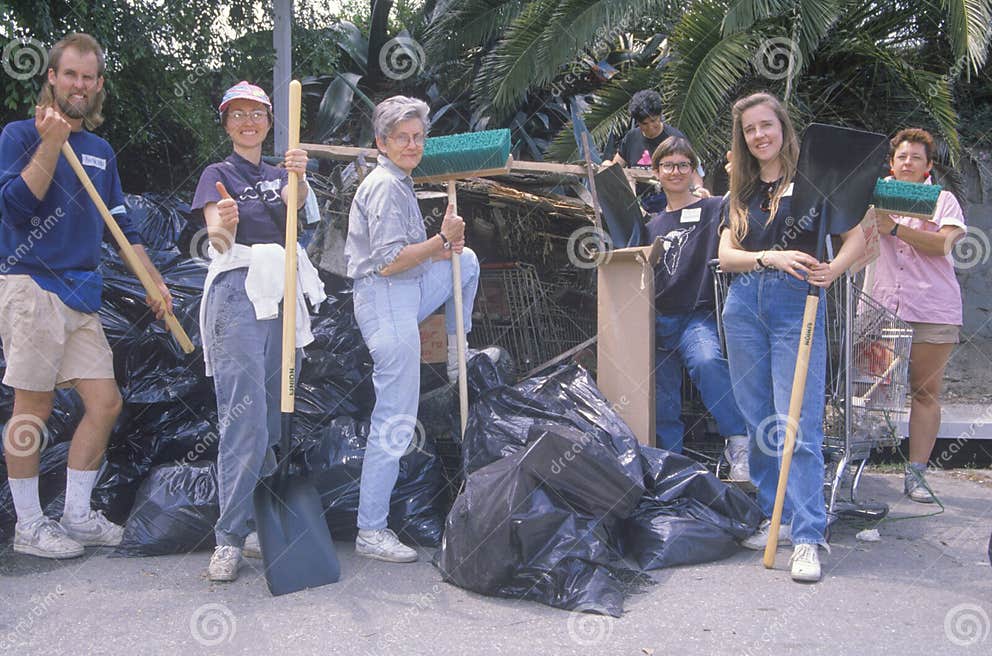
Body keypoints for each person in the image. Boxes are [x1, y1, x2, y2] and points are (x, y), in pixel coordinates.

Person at [0, 33, 172, 559]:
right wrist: (51, 144)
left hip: (80, 291)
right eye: (69, 74)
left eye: (88, 77)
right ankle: (29, 526)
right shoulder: (17, 135)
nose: (79, 85)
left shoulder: (100, 152)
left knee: (105, 401)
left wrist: (153, 279)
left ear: (98, 86)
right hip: (30, 283)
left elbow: (123, 227)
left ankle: (75, 515)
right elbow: (15, 210)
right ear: (51, 77)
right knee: (33, 406)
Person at [717, 92, 865, 583]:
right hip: (743, 305)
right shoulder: (738, 191)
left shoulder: (814, 182)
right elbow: (727, 256)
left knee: (796, 421)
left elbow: (859, 240)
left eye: (766, 126)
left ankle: (807, 535)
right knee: (758, 419)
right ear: (743, 139)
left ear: (782, 127)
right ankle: (772, 516)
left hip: (795, 304)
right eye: (750, 130)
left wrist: (832, 272)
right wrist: (769, 257)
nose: (759, 136)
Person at [345, 96, 483, 563]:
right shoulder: (384, 185)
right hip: (385, 300)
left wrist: (445, 250)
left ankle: (455, 351)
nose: (411, 144)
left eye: (417, 137)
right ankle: (371, 530)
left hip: (404, 290)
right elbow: (387, 263)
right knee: (396, 417)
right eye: (401, 137)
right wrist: (441, 239)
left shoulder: (400, 181)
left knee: (466, 263)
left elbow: (409, 255)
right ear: (381, 142)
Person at [191, 81, 318, 582]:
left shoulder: (281, 170)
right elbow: (216, 242)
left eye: (257, 114)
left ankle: (262, 525)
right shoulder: (216, 175)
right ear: (226, 124)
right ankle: (228, 537)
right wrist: (224, 221)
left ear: (269, 120)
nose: (248, 122)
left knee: (273, 413)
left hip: (283, 292)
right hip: (238, 294)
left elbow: (297, 211)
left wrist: (301, 179)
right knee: (243, 420)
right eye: (237, 115)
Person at [870, 128, 966, 503]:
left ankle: (917, 473)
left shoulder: (944, 200)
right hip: (880, 305)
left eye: (916, 158)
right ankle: (855, 465)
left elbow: (944, 243)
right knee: (864, 389)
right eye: (902, 157)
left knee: (925, 392)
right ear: (891, 163)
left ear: (928, 167)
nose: (907, 162)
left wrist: (894, 228)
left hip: (932, 307)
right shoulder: (873, 195)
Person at [645, 136, 749, 480]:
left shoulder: (714, 208)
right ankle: (669, 468)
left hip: (696, 314)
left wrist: (737, 169)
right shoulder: (651, 225)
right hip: (657, 317)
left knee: (708, 363)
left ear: (694, 170)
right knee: (661, 399)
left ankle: (739, 442)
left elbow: (744, 200)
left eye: (683, 165)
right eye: (668, 165)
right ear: (656, 172)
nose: (675, 172)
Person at [610, 89, 710, 208]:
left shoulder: (676, 139)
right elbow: (616, 166)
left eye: (653, 121)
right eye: (644, 124)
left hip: (670, 203)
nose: (651, 127)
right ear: (637, 122)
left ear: (660, 116)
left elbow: (693, 172)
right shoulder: (631, 138)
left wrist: (698, 189)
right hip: (640, 204)